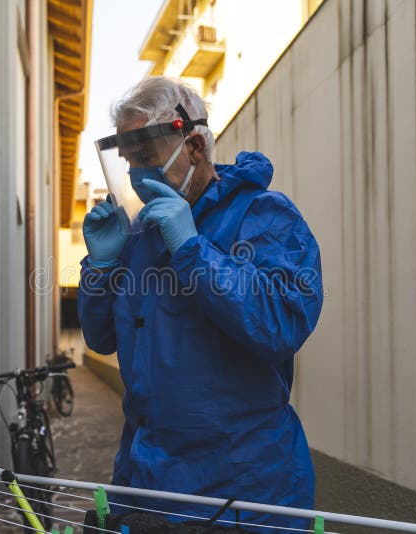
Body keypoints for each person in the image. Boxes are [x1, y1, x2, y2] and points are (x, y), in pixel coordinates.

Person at [79, 76, 323, 532]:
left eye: (147, 158)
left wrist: (192, 248)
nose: (136, 175)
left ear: (193, 146)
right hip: (146, 481)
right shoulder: (144, 234)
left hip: (243, 493)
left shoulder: (263, 216)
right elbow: (102, 337)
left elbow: (281, 325)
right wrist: (102, 266)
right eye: (129, 161)